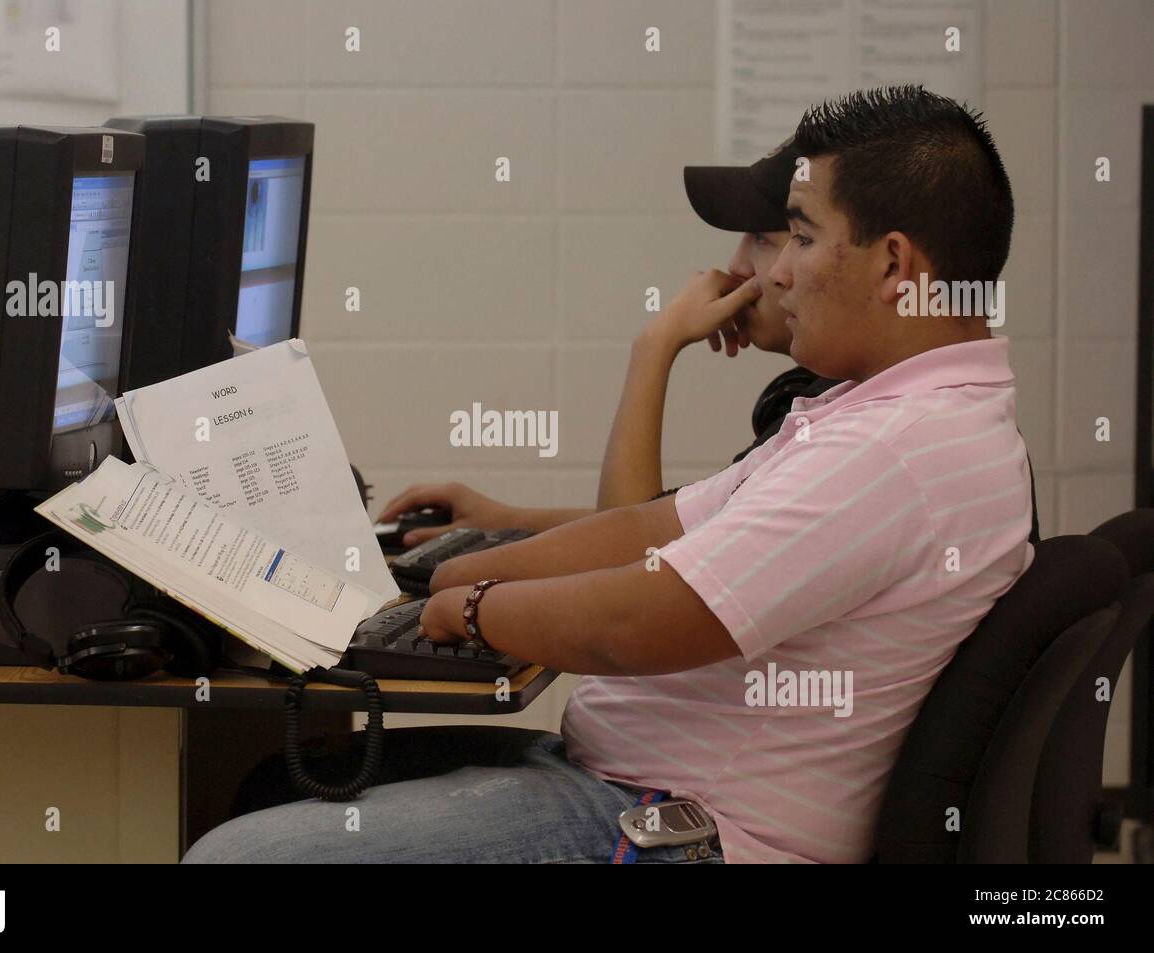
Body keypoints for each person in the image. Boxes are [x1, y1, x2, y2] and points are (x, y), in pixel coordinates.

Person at [186, 85, 1033, 865]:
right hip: (631, 783)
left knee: (233, 859)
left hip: (682, 827)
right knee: (279, 779)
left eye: (802, 236)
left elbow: (638, 620)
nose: (773, 271)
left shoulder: (898, 449)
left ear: (893, 264)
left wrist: (471, 609)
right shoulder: (881, 414)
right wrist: (447, 574)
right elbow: (651, 528)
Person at [377, 137, 840, 548]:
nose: (735, 264)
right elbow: (675, 524)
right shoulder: (815, 401)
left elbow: (636, 558)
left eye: (762, 237)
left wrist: (654, 349)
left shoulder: (833, 440)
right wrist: (505, 523)